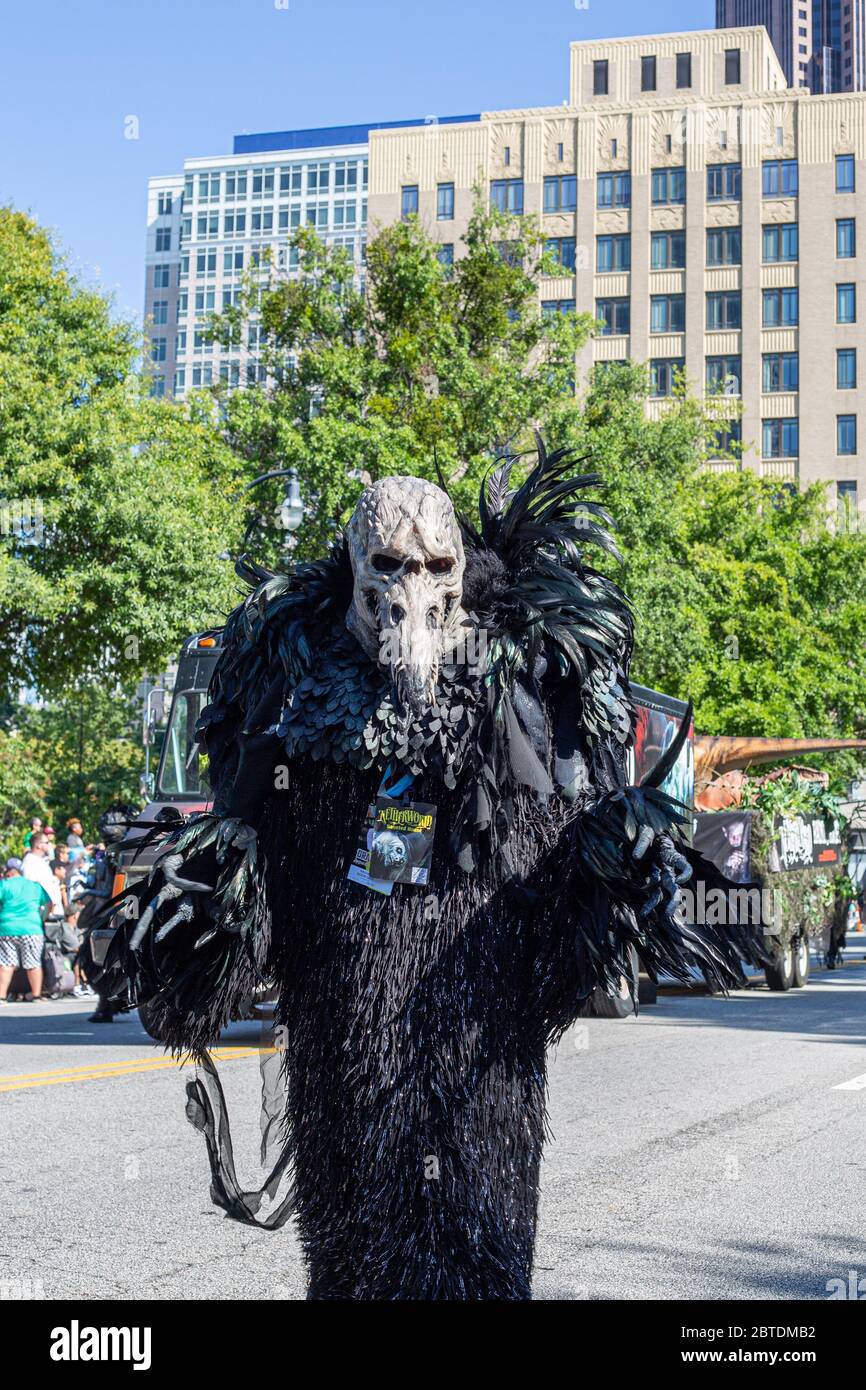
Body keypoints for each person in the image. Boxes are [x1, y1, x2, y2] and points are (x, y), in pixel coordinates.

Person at [0, 862, 50, 1002]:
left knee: (6, 963)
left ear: (9, 873)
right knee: (33, 963)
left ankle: (1, 996)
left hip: (6, 929)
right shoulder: (35, 886)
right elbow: (48, 904)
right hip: (32, 928)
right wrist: (41, 919)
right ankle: (36, 995)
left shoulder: (4, 885)